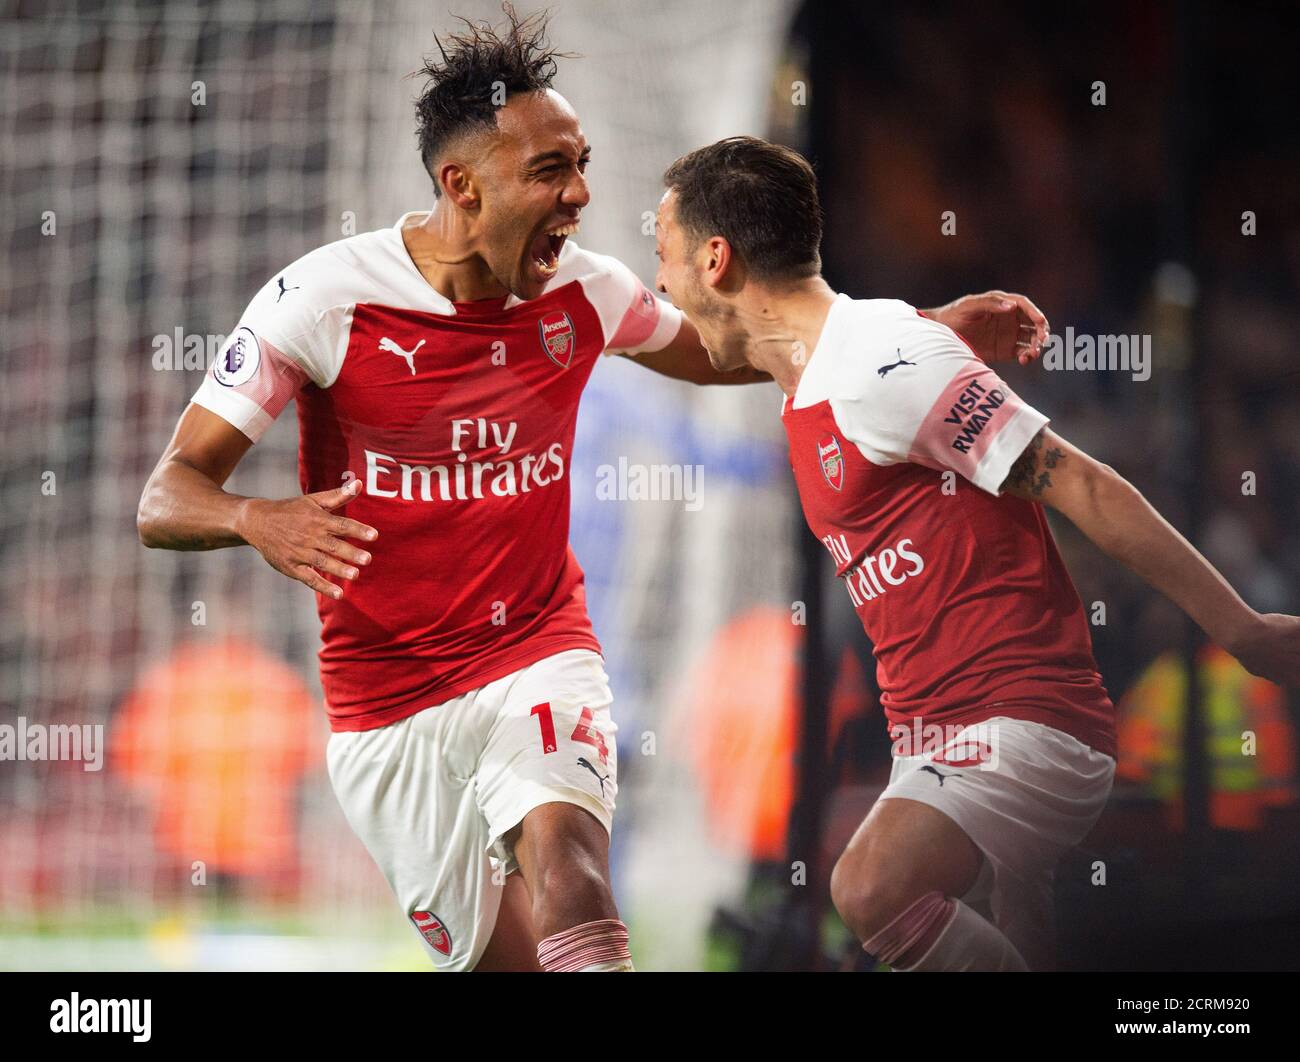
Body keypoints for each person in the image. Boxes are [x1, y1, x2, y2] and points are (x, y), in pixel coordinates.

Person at [137, 9, 1045, 972]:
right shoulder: (320, 301)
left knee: (572, 867)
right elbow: (167, 496)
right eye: (548, 171)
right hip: (386, 702)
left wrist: (919, 322)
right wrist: (252, 517)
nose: (578, 194)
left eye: (580, 162)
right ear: (461, 187)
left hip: (538, 649)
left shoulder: (586, 290)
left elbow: (734, 349)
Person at [652, 134, 1300, 970]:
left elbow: (1085, 484)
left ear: (715, 260)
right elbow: (862, 361)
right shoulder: (843, 359)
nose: (660, 284)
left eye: (661, 257)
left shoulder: (879, 362)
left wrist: (1242, 630)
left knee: (867, 887)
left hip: (1023, 723)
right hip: (933, 740)